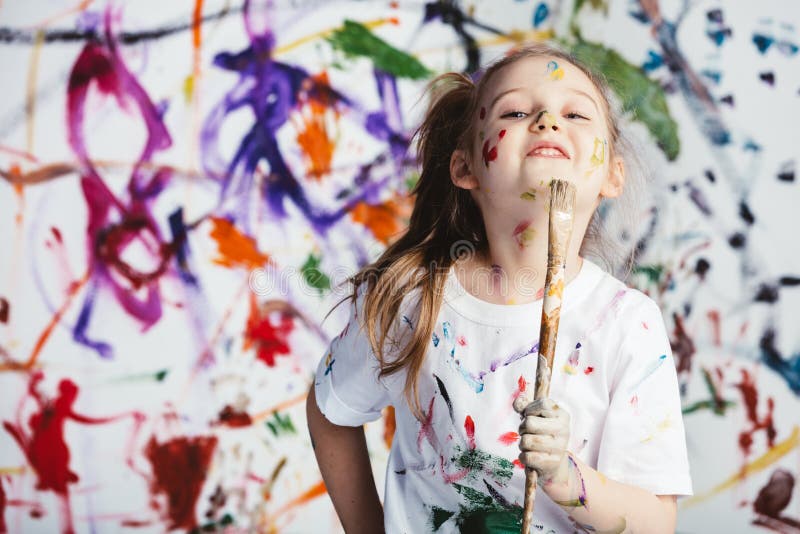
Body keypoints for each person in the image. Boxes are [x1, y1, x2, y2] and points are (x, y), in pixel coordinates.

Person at [306, 43, 692, 534]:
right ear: (465, 167)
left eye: (575, 113)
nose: (549, 120)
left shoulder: (627, 323)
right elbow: (329, 409)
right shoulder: (415, 298)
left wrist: (564, 476)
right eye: (515, 110)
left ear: (612, 175)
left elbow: (656, 523)